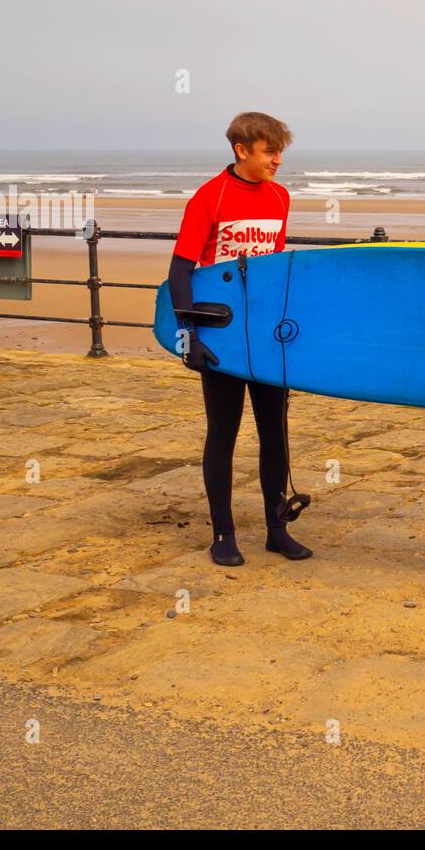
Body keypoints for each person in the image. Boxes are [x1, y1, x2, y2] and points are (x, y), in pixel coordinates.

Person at [166, 111, 312, 567]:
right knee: (223, 435)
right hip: (222, 337)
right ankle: (223, 534)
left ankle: (276, 529)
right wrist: (187, 334)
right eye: (270, 152)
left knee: (275, 435)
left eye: (280, 151)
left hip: (267, 337)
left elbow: (272, 272)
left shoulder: (280, 198)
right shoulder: (209, 198)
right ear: (241, 150)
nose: (278, 161)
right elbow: (180, 269)